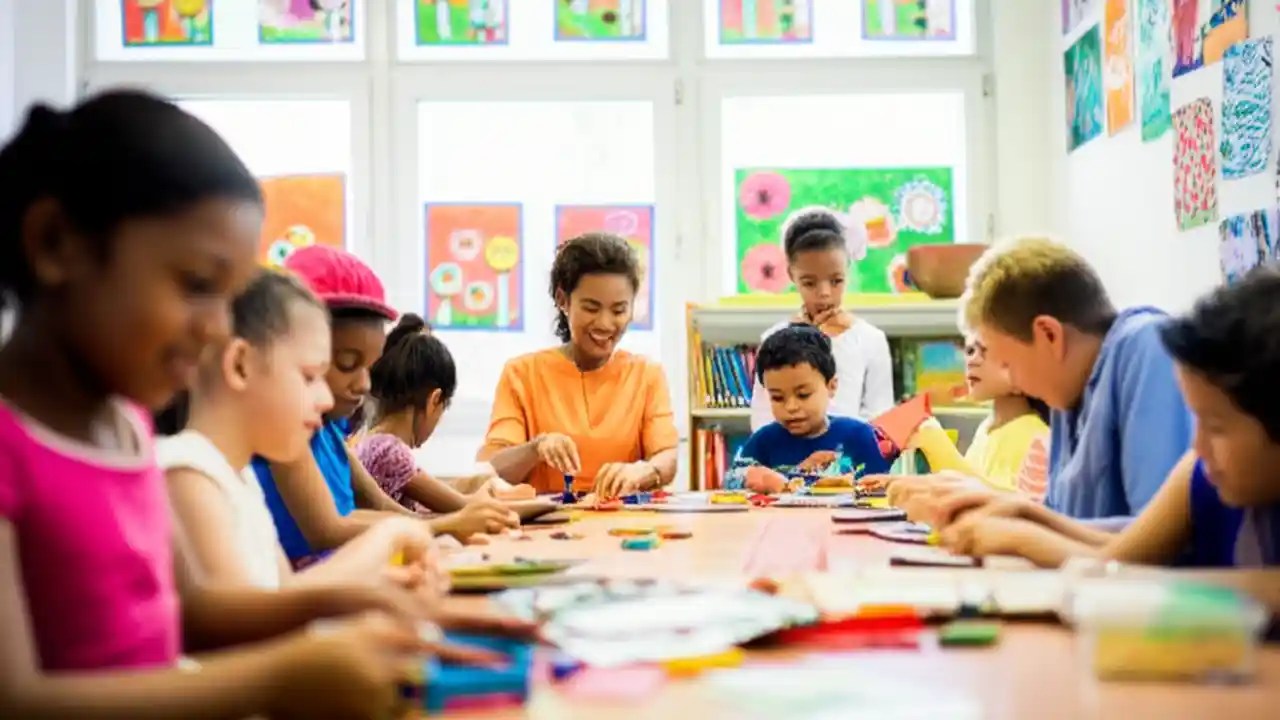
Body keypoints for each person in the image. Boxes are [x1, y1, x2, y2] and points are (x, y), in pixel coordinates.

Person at [0, 91, 427, 719]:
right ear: (55, 243)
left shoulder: (127, 427)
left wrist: (365, 608)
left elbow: (195, 612)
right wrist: (280, 677)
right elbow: (18, 699)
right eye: (198, 285)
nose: (217, 326)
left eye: (227, 298)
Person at [917, 267, 1280, 569]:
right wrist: (1020, 515)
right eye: (1195, 419)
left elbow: (1129, 572)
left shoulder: (1139, 347)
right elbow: (1117, 558)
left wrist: (1021, 531)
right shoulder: (1198, 470)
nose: (1197, 446)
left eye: (1215, 427)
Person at [253, 245, 517, 568]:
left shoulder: (331, 432)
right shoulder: (283, 432)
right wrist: (444, 526)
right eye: (347, 363)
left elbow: (380, 506)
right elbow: (327, 528)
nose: (364, 385)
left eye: (369, 367)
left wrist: (446, 526)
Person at [953, 236, 1192, 525]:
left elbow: (1159, 535)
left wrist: (1017, 526)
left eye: (1008, 365)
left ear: (1049, 336)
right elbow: (1057, 517)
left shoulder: (1146, 347)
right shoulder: (1068, 393)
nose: (1012, 379)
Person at [478, 232, 679, 498]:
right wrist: (535, 448)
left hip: (627, 525)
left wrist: (645, 471)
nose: (605, 324)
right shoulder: (521, 373)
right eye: (591, 308)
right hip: (545, 530)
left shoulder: (647, 375)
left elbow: (666, 456)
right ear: (563, 300)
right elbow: (492, 468)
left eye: (618, 310)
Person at [354, 313, 535, 512]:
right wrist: (550, 506)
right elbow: (466, 509)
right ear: (435, 401)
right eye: (443, 409)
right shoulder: (389, 452)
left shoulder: (373, 442)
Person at [748, 207, 894, 431]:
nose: (824, 293)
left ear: (847, 270)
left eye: (836, 281)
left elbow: (881, 420)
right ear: (791, 276)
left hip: (851, 461)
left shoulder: (871, 340)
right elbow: (761, 419)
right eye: (809, 283)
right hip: (785, 462)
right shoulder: (774, 340)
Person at [862, 333, 1051, 502]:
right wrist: (903, 484)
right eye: (970, 351)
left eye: (986, 351)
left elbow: (1000, 505)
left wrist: (936, 443)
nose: (972, 361)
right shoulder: (987, 429)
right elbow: (963, 485)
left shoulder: (1034, 435)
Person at [727, 324, 894, 493]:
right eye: (777, 397)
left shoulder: (858, 435)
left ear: (831, 386)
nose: (791, 407)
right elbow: (730, 482)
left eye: (803, 394)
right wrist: (754, 477)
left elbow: (881, 489)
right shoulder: (764, 440)